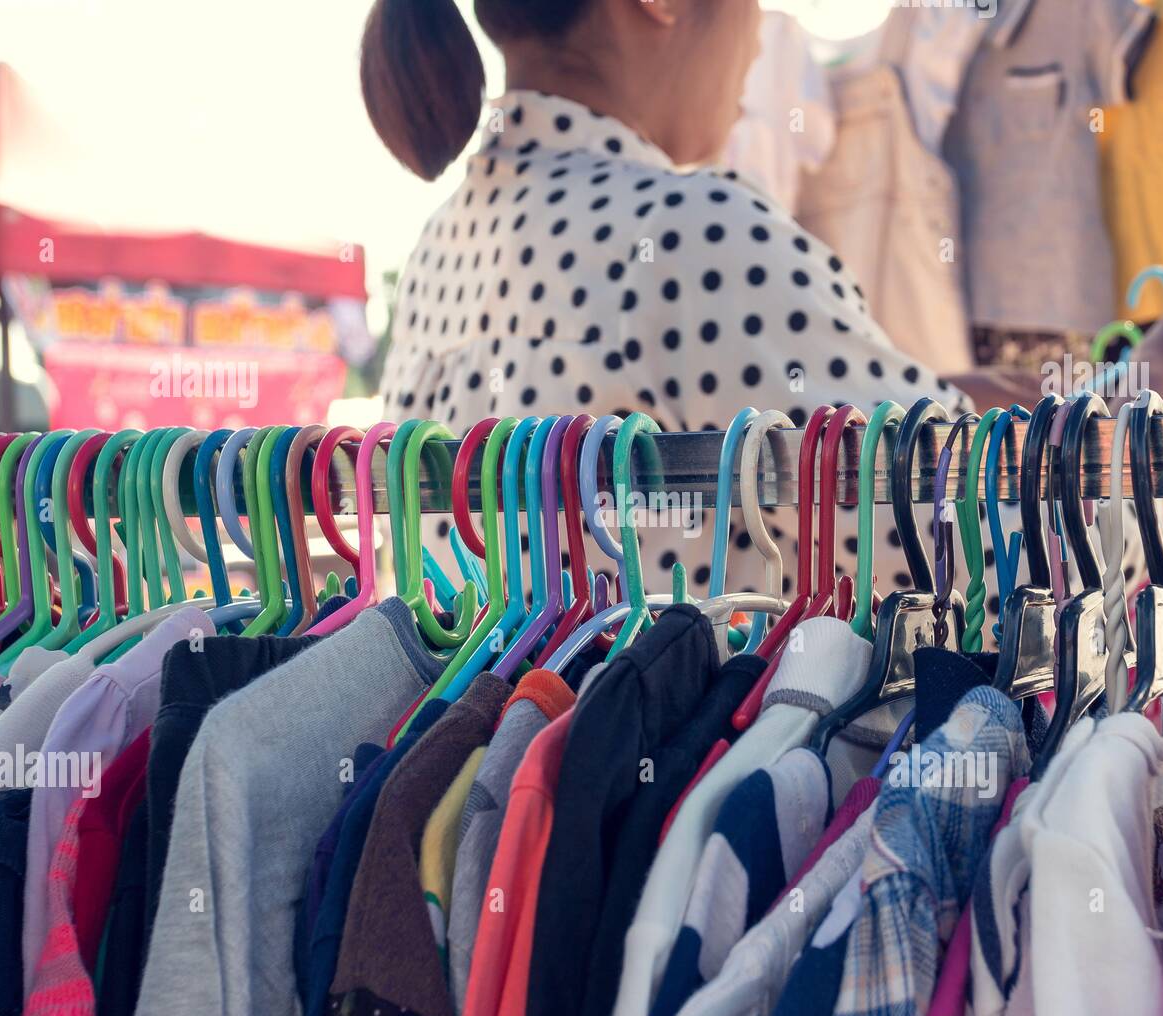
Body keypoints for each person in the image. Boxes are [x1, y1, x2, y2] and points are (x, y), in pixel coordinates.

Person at [363, 0, 972, 603]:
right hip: (698, 702)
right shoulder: (690, 233)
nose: (758, 34)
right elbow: (963, 557)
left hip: (511, 698)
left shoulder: (439, 245)